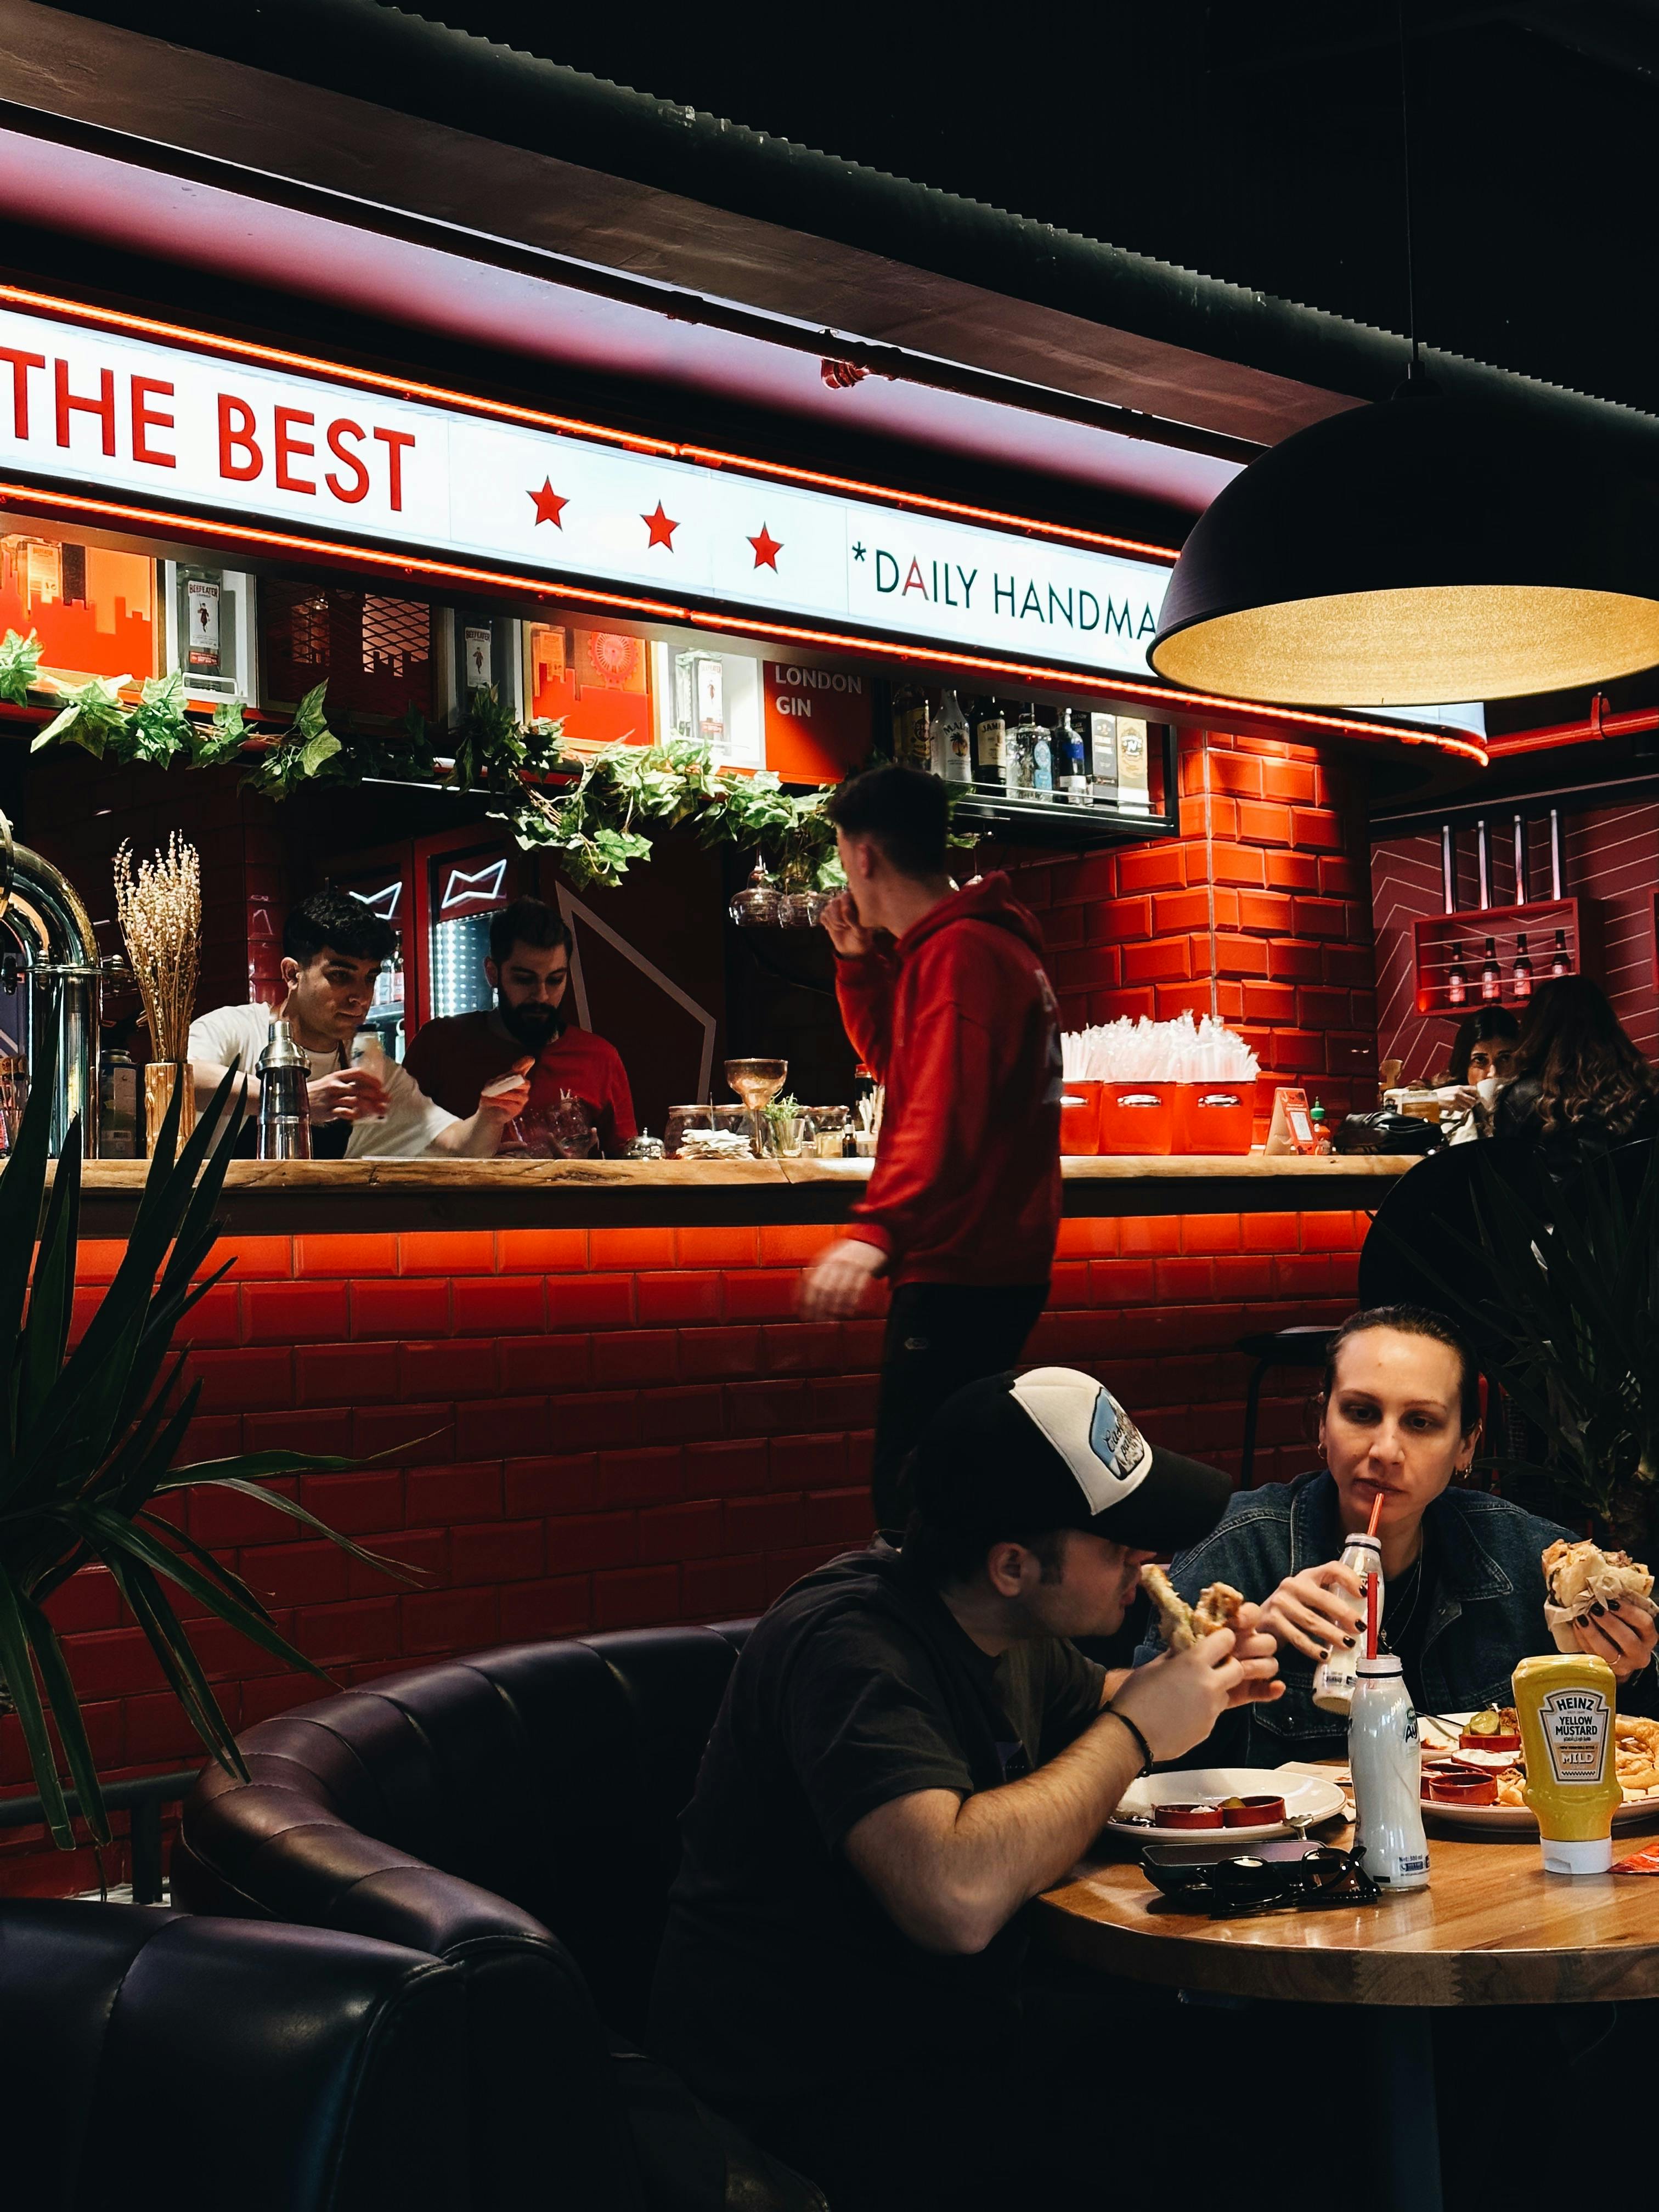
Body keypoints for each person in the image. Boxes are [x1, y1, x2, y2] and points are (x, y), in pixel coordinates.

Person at [650, 1365, 1282, 2212]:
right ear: (1012, 1564)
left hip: (955, 2044)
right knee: (1214, 2148)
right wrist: (1138, 1731)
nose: (1147, 1557)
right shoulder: (852, 1647)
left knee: (1276, 2072)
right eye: (1116, 1543)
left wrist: (1211, 1673)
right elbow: (953, 1897)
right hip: (806, 2098)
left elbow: (1105, 1702)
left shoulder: (1003, 1626)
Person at [1133, 1305, 1658, 1765]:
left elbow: (1628, 1749)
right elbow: (1140, 1762)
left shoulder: (1531, 1559)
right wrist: (1240, 1657)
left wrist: (1627, 1671)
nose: (1385, 1450)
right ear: (1322, 1424)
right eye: (1361, 1413)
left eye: (1421, 1422)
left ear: (1467, 1446)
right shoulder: (1236, 1547)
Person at [799, 765, 1062, 1526]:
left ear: (862, 855)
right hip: (993, 1259)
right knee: (955, 1495)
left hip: (960, 1262)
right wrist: (858, 967)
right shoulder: (972, 944)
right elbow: (905, 1070)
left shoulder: (960, 954)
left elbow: (942, 1113)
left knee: (915, 1503)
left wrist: (875, 1232)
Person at [188, 890, 531, 1158]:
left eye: (369, 978)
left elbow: (458, 1147)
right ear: (292, 974)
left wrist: (491, 1114)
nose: (361, 997)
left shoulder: (370, 1069)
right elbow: (180, 1080)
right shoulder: (237, 1030)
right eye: (340, 976)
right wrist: (295, 1099)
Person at [402, 896, 637, 1154]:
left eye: (555, 980)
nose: (542, 996)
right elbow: (392, 1148)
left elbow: (628, 1167)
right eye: (525, 980)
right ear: (493, 973)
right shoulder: (439, 1044)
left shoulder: (599, 1058)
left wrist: (586, 1170)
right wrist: (479, 1159)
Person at [1491, 973, 1659, 1169]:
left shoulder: (1523, 1097)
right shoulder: (1648, 1087)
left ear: (1537, 1031)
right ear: (1609, 1025)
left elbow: (1504, 1178)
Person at [1438, 1006, 1520, 1144]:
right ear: (1464, 1064)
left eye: (1505, 1058)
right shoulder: (1446, 1106)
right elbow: (1397, 1106)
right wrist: (1431, 1100)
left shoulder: (1534, 1107)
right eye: (1480, 1060)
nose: (1493, 1073)